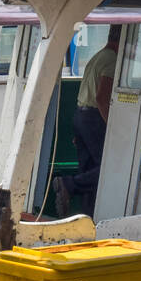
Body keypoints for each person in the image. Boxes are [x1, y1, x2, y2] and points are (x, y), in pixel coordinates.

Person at [54, 25, 122, 217]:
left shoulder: (98, 56)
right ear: (122, 39)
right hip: (94, 118)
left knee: (89, 168)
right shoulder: (113, 60)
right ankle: (69, 184)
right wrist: (112, 125)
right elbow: (102, 97)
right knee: (109, 167)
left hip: (81, 116)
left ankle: (87, 215)